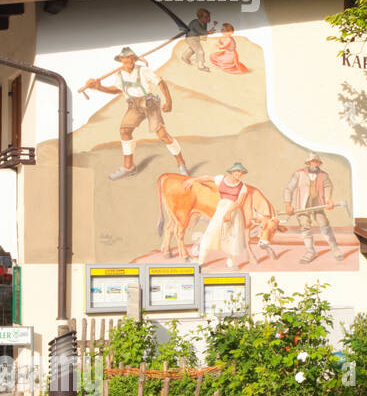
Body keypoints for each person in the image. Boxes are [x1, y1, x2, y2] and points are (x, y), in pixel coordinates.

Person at [85, 47, 188, 180]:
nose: (127, 60)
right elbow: (116, 90)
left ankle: (181, 164)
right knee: (124, 131)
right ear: (121, 60)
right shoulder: (120, 74)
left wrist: (169, 102)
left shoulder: (143, 70)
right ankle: (129, 167)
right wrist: (99, 87)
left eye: (130, 57)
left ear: (133, 59)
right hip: (134, 105)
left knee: (162, 135)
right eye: (124, 58)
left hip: (149, 103)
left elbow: (161, 83)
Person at [185, 163, 250, 268]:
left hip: (233, 213)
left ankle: (231, 263)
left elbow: (239, 202)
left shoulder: (243, 187)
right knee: (210, 233)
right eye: (236, 171)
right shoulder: (221, 179)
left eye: (240, 172)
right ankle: (200, 261)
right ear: (232, 172)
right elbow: (207, 178)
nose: (238, 174)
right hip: (221, 210)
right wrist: (194, 180)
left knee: (230, 237)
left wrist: (229, 213)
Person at [284, 154, 344, 262]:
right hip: (302, 205)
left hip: (318, 204)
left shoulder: (324, 175)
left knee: (324, 224)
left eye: (317, 162)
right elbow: (289, 189)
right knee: (305, 226)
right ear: (308, 163)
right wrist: (288, 204)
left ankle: (335, 248)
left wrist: (328, 199)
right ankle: (310, 251)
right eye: (313, 161)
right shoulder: (299, 174)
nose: (315, 163)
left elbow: (328, 186)